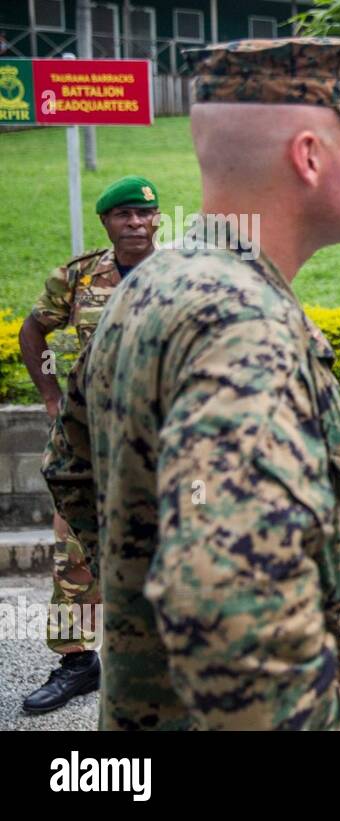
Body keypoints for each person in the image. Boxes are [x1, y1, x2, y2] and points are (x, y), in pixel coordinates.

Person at [42, 37, 340, 730]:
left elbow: (68, 468)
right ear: (309, 156)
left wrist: (138, 588)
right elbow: (220, 582)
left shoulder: (148, 287)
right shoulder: (241, 321)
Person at [18, 175, 159, 715]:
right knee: (73, 548)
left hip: (161, 436)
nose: (137, 223)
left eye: (146, 215)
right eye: (125, 215)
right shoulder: (78, 276)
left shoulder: (183, 275)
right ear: (107, 221)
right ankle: (78, 663)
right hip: (90, 436)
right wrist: (53, 398)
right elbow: (34, 331)